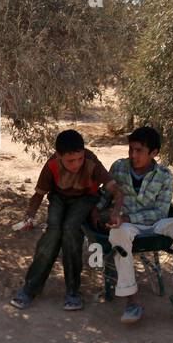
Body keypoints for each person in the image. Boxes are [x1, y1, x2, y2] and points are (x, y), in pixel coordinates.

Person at [10, 129, 118, 311]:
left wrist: (115, 207)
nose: (76, 165)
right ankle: (30, 288)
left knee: (70, 229)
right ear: (59, 156)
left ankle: (73, 292)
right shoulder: (51, 165)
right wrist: (29, 216)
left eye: (79, 159)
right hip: (59, 198)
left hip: (85, 198)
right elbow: (39, 195)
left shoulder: (91, 161)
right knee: (53, 233)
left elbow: (112, 186)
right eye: (70, 161)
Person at [106, 126, 173, 328]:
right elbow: (107, 195)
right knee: (118, 232)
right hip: (128, 227)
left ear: (154, 153)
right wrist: (101, 213)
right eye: (131, 149)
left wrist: (128, 217)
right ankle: (132, 300)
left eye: (139, 151)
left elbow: (161, 212)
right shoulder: (119, 167)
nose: (132, 155)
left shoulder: (164, 175)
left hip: (155, 224)